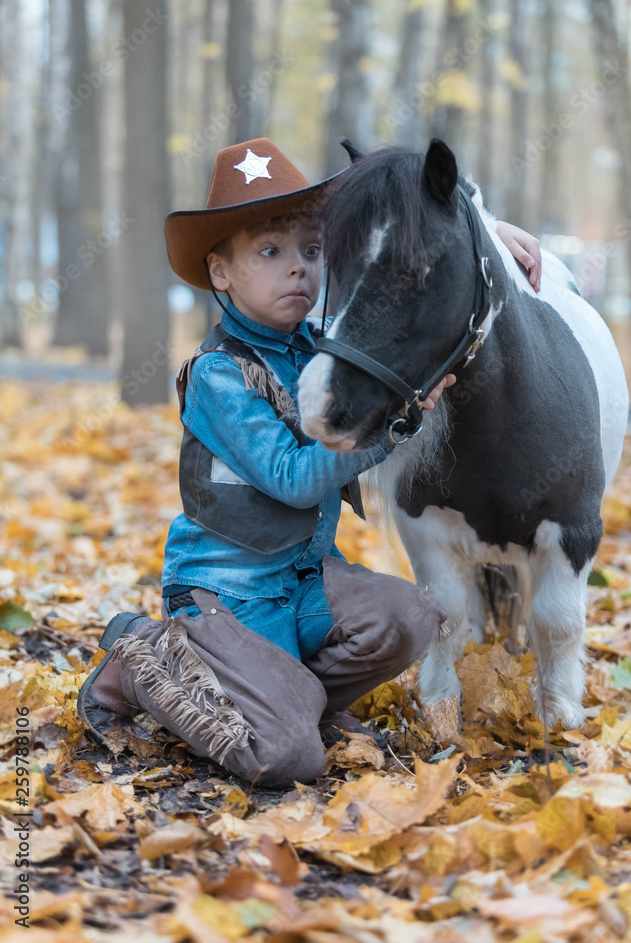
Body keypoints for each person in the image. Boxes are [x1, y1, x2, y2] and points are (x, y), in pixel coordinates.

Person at [77, 138, 541, 787]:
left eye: (312, 250)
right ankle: (141, 662)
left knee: (409, 615)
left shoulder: (319, 347)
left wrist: (484, 230)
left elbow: (400, 244)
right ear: (221, 273)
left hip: (300, 581)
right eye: (269, 252)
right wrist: (395, 425)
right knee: (286, 758)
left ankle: (293, 699)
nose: (297, 268)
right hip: (227, 594)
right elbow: (295, 482)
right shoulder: (218, 376)